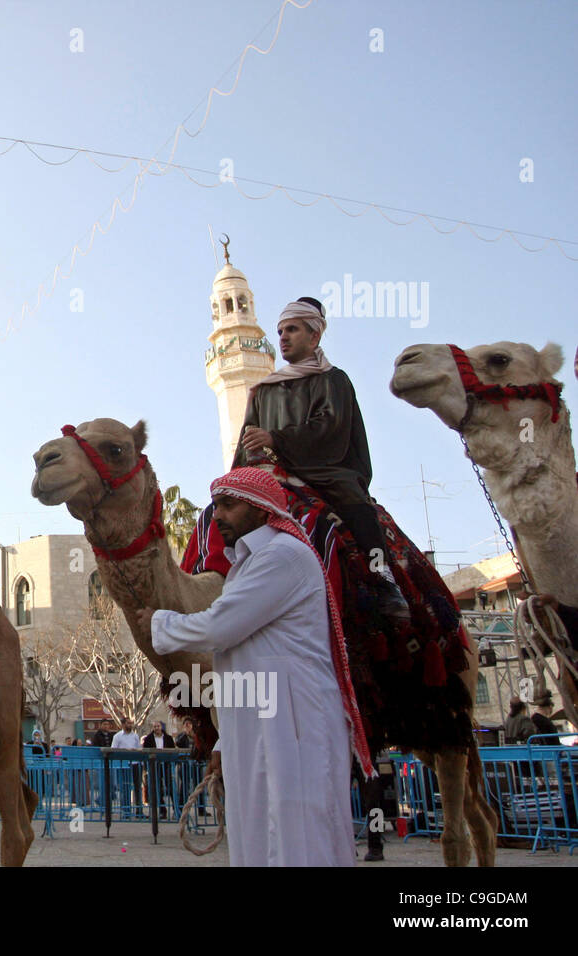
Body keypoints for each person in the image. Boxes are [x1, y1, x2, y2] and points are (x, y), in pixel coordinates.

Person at [138, 468, 371, 866]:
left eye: (229, 505)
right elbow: (240, 657)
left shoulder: (283, 555)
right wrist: (223, 742)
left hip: (293, 719)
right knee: (258, 835)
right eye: (215, 507)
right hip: (261, 718)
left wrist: (159, 623)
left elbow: (221, 626)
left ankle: (381, 577)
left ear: (263, 509)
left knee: (299, 838)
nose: (218, 517)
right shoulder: (248, 565)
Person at [232, 297, 409, 622]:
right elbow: (246, 441)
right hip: (271, 474)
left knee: (355, 503)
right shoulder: (263, 391)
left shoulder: (333, 380)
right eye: (280, 330)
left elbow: (332, 428)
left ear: (314, 337)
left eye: (293, 329)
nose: (283, 337)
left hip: (325, 468)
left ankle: (383, 581)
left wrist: (276, 439)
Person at [142, 720, 177, 815]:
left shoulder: (168, 738)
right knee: (158, 788)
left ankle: (176, 809)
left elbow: (173, 750)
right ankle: (162, 810)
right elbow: (145, 751)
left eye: (158, 726)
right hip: (154, 765)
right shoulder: (148, 739)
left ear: (161, 727)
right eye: (155, 727)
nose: (157, 728)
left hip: (166, 765)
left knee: (170, 787)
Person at [111, 719, 143, 815]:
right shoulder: (117, 736)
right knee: (125, 787)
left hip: (135, 763)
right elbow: (113, 749)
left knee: (137, 787)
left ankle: (139, 810)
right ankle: (126, 810)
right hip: (123, 765)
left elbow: (139, 748)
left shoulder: (135, 736)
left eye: (131, 723)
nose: (130, 725)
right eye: (128, 723)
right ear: (123, 724)